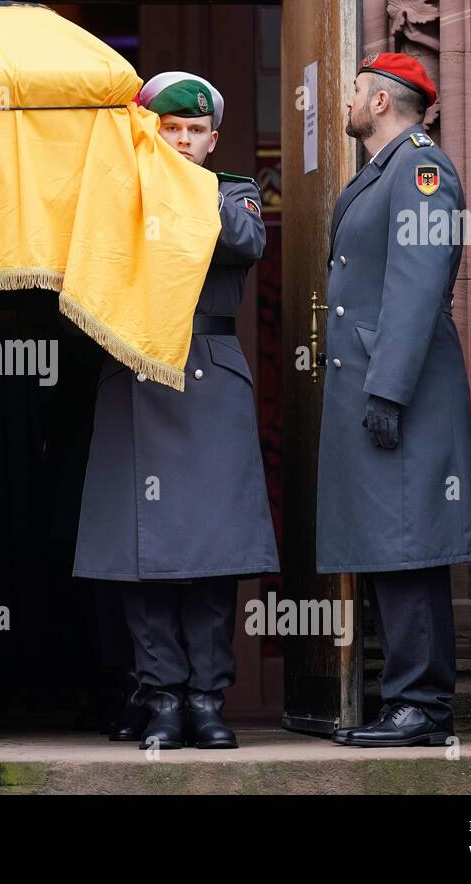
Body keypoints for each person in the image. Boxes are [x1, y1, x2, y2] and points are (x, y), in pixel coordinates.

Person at [72, 72, 279, 749]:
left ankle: (206, 698)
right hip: (134, 378)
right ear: (149, 133)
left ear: (213, 140)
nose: (183, 141)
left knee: (212, 555)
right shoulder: (118, 199)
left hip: (207, 379)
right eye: (170, 131)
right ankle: (161, 697)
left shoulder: (232, 191)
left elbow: (245, 245)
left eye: (194, 132)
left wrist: (178, 183)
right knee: (143, 554)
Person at [319, 53, 471, 747]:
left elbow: (419, 285)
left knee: (411, 544)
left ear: (383, 101)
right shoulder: (382, 170)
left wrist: (387, 388)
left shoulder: (423, 168)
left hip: (401, 385)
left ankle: (421, 706)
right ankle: (408, 700)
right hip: (376, 379)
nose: (349, 101)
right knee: (391, 543)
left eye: (357, 90)